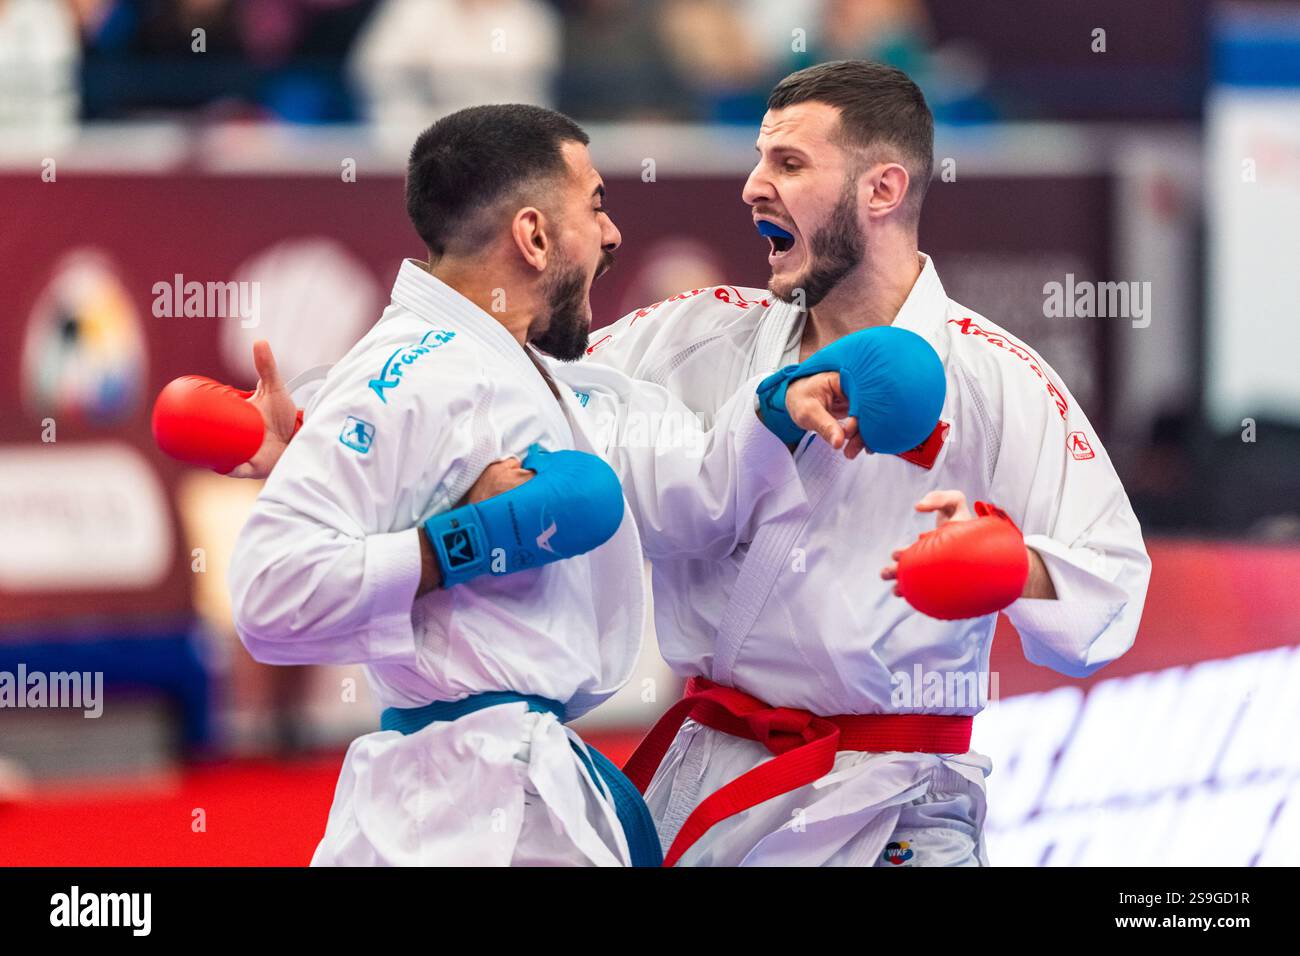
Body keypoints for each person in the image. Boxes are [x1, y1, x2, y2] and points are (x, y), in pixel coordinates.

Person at [209, 101, 941, 866]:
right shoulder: (413, 374)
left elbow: (692, 493)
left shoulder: (541, 378)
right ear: (532, 235)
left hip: (523, 784)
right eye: (594, 206)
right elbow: (268, 594)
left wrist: (779, 408)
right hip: (448, 813)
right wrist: (463, 540)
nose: (613, 233)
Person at [586, 60, 1152, 866]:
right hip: (710, 782)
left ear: (882, 191)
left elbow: (1115, 585)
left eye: (788, 163)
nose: (751, 186)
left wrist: (1013, 567)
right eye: (758, 158)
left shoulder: (996, 376)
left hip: (897, 808)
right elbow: (541, 389)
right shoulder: (696, 336)